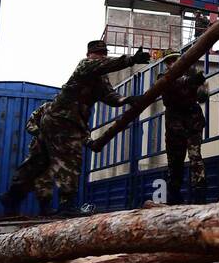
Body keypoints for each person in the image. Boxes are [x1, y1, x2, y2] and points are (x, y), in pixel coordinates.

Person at [24, 39, 150, 215]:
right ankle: (55, 206)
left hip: (72, 126)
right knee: (57, 165)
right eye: (97, 53)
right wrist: (129, 60)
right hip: (57, 125)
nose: (101, 56)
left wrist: (125, 100)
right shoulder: (84, 66)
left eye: (103, 53)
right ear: (89, 55)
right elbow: (31, 124)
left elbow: (109, 95)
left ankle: (62, 205)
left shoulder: (100, 77)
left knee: (68, 161)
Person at [159, 50, 208, 204]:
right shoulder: (163, 78)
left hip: (192, 123)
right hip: (174, 127)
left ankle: (199, 197)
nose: (172, 63)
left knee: (195, 157)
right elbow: (172, 84)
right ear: (166, 64)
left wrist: (201, 84)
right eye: (169, 61)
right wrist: (191, 81)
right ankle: (174, 198)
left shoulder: (193, 73)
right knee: (175, 163)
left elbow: (202, 97)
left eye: (174, 59)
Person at [0, 101, 51, 215]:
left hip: (52, 151)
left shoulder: (70, 112)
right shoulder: (47, 107)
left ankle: (44, 208)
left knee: (44, 179)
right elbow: (30, 125)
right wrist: (40, 133)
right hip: (38, 149)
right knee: (26, 175)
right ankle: (9, 199)